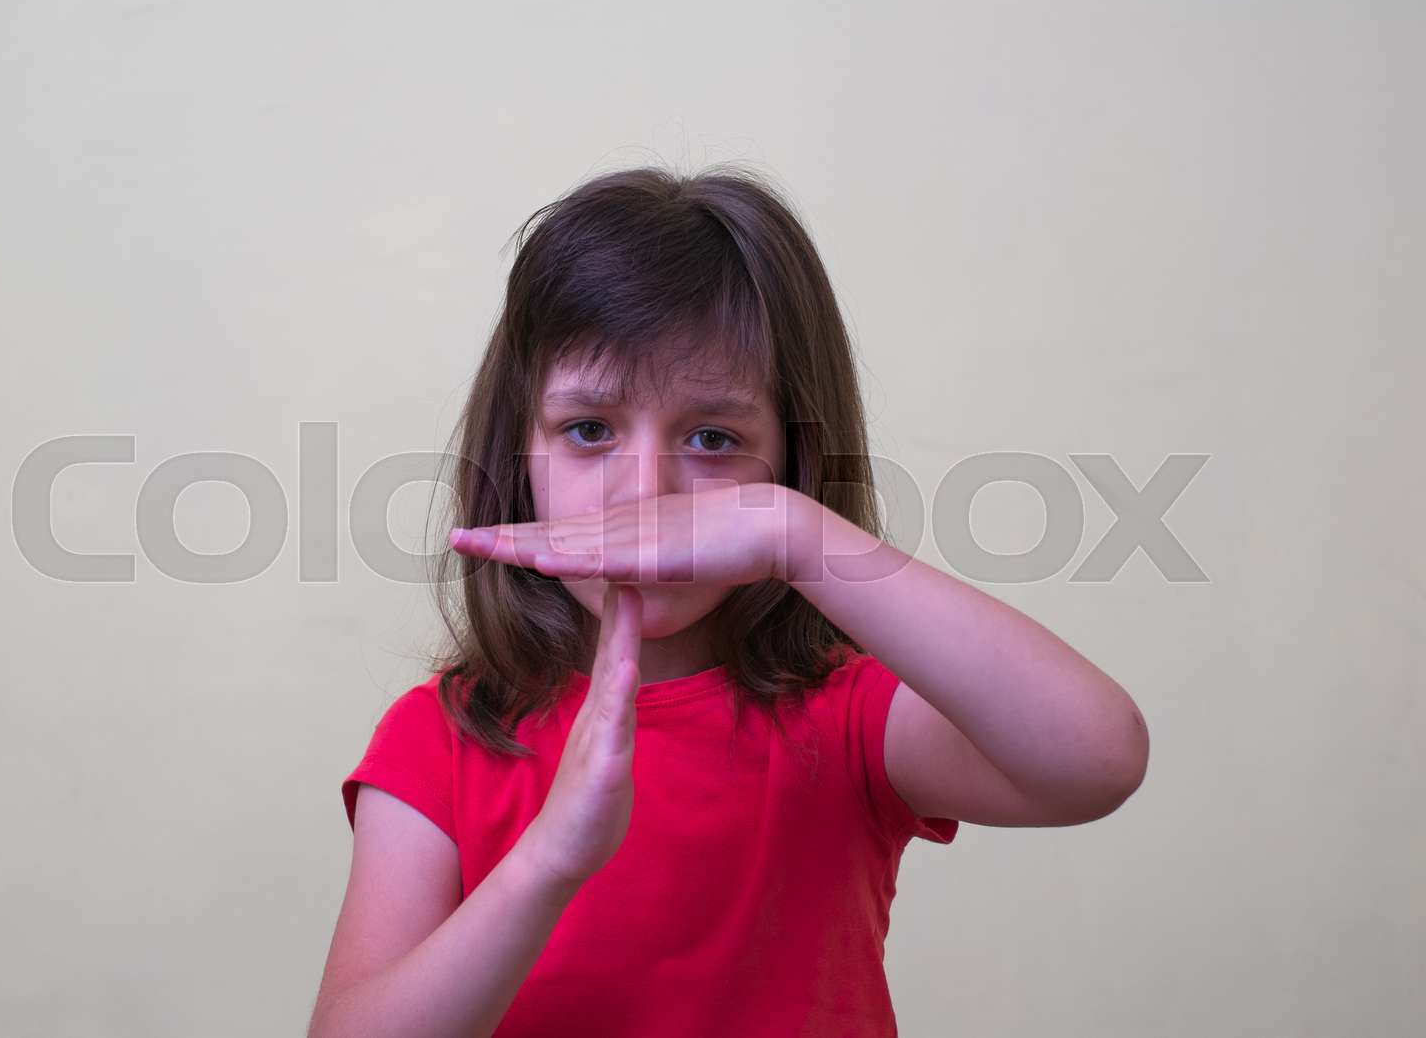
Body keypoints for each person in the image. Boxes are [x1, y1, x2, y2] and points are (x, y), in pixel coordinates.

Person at [307, 165, 1150, 1038]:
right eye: (589, 429)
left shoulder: (846, 714)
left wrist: (795, 534)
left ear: (788, 462)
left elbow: (1099, 756)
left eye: (714, 439)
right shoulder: (443, 737)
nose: (647, 489)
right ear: (518, 453)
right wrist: (549, 861)